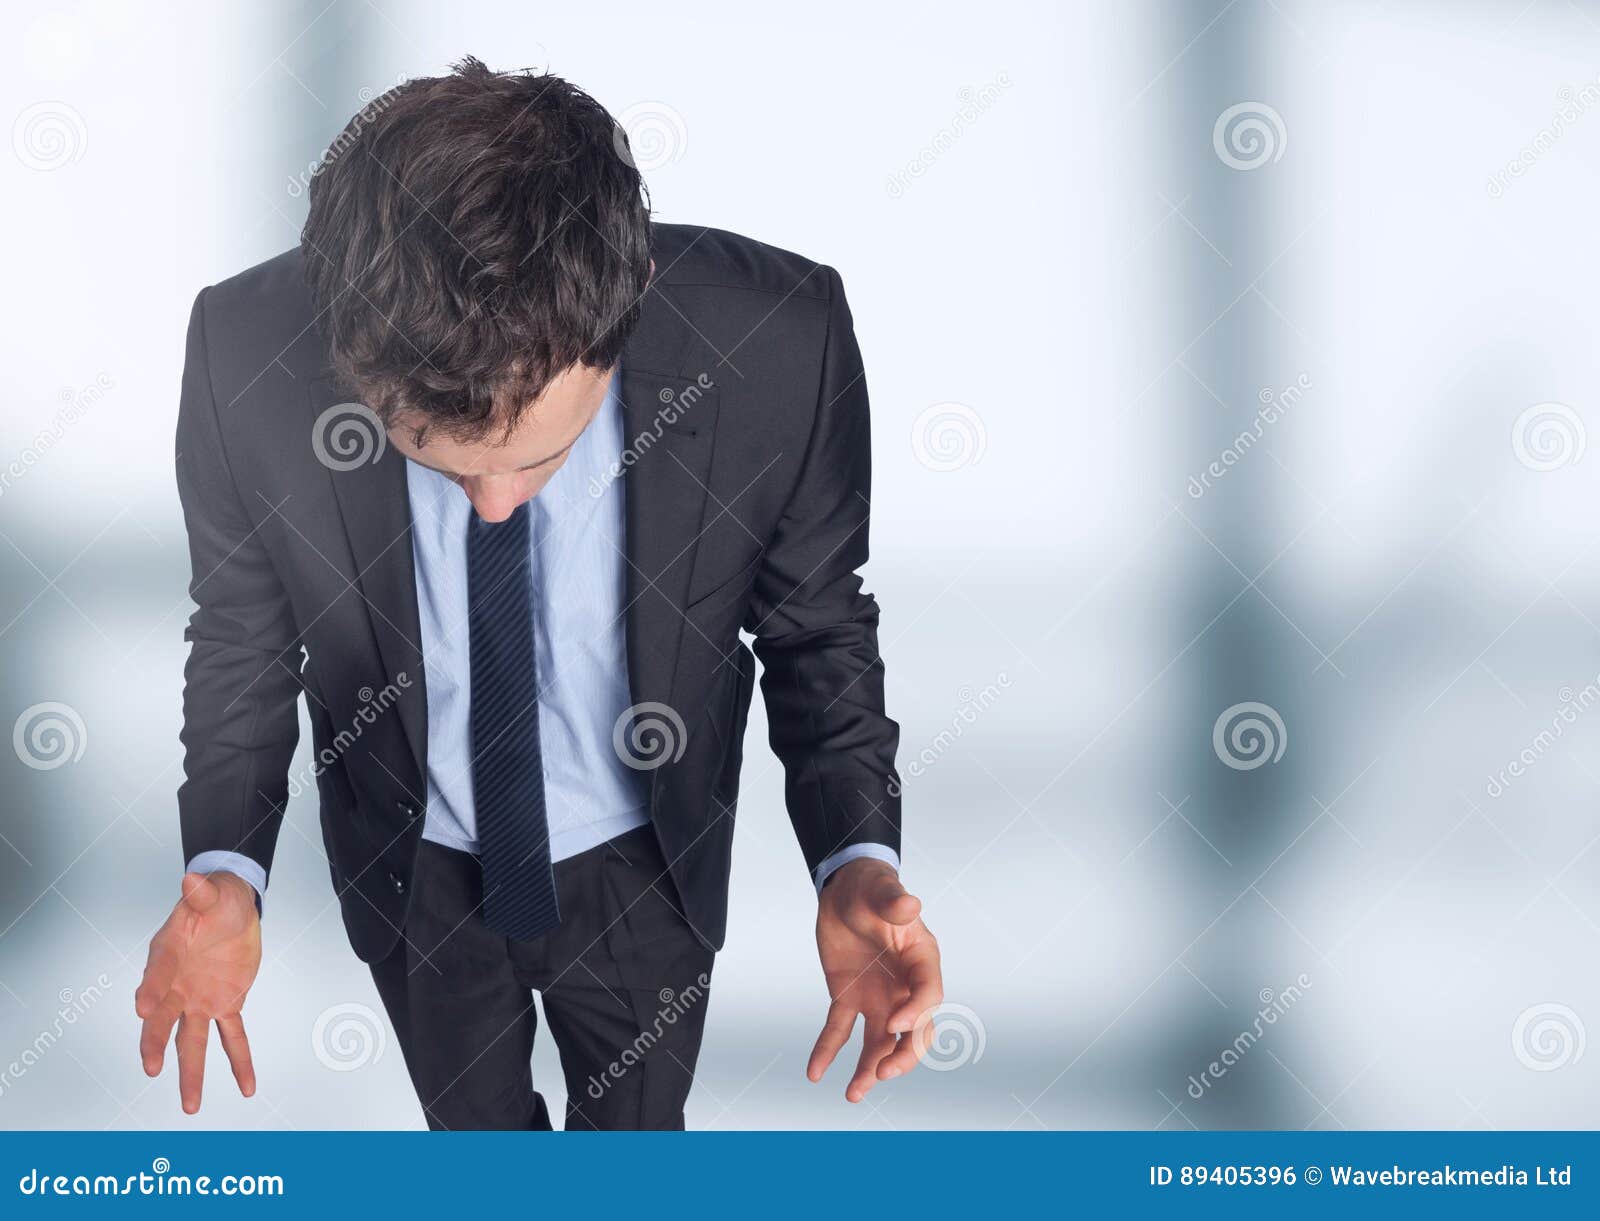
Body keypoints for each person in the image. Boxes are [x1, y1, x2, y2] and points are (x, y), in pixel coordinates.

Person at [134, 58, 943, 1130]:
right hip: (414, 866)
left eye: (538, 457)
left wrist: (853, 857)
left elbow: (814, 625)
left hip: (645, 861)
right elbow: (242, 634)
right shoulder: (243, 349)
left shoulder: (782, 341)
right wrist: (227, 867)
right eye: (447, 467)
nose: (498, 506)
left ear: (628, 303)